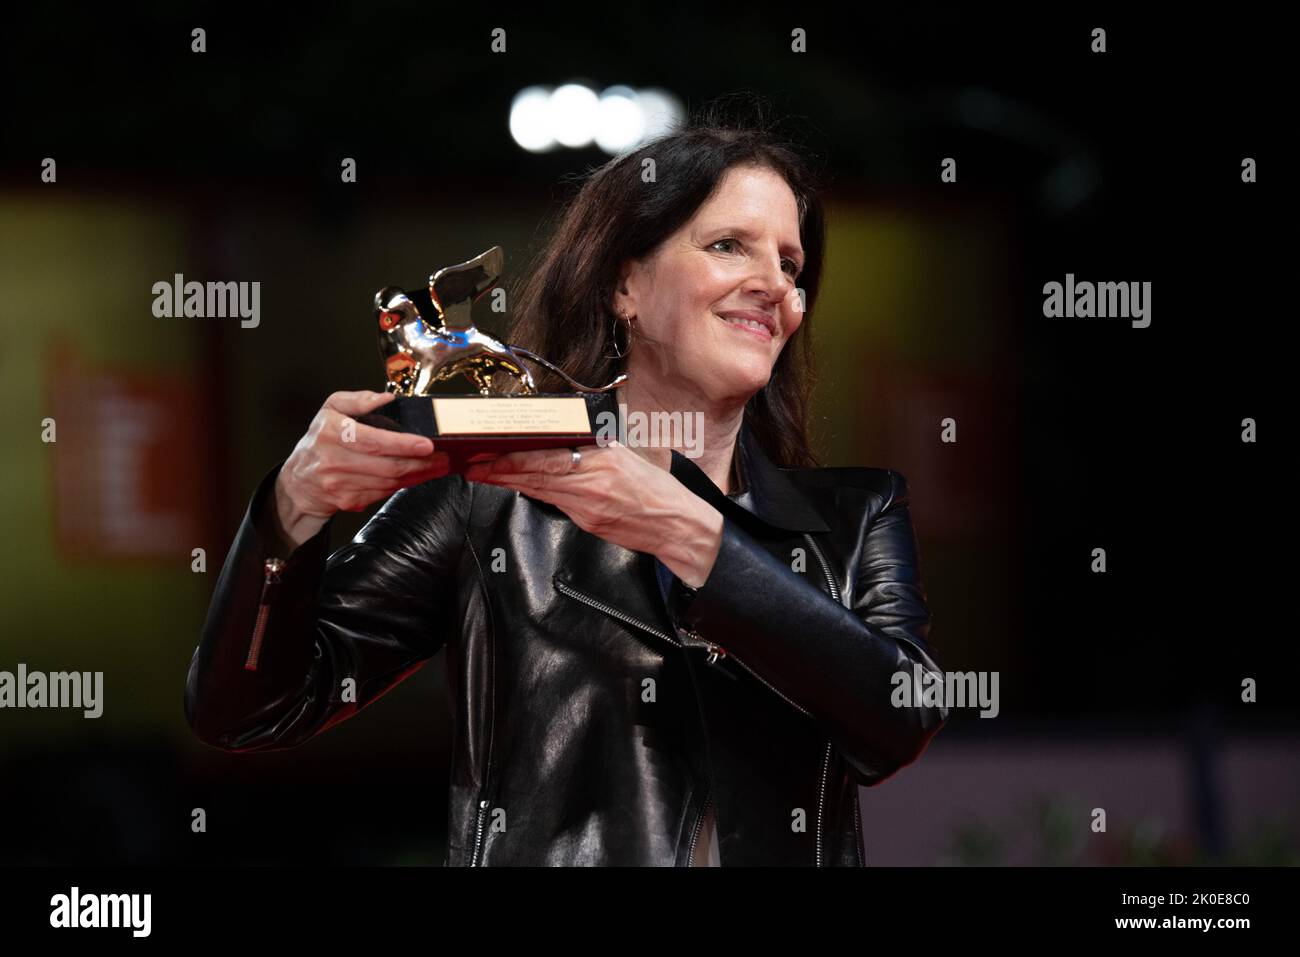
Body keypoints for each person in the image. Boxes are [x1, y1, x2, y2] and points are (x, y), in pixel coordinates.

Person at [184, 105, 949, 866]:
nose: (772, 286)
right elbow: (248, 712)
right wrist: (289, 512)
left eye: (790, 265)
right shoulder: (493, 486)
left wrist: (683, 531)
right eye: (728, 247)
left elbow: (899, 719)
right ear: (626, 285)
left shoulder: (855, 515)